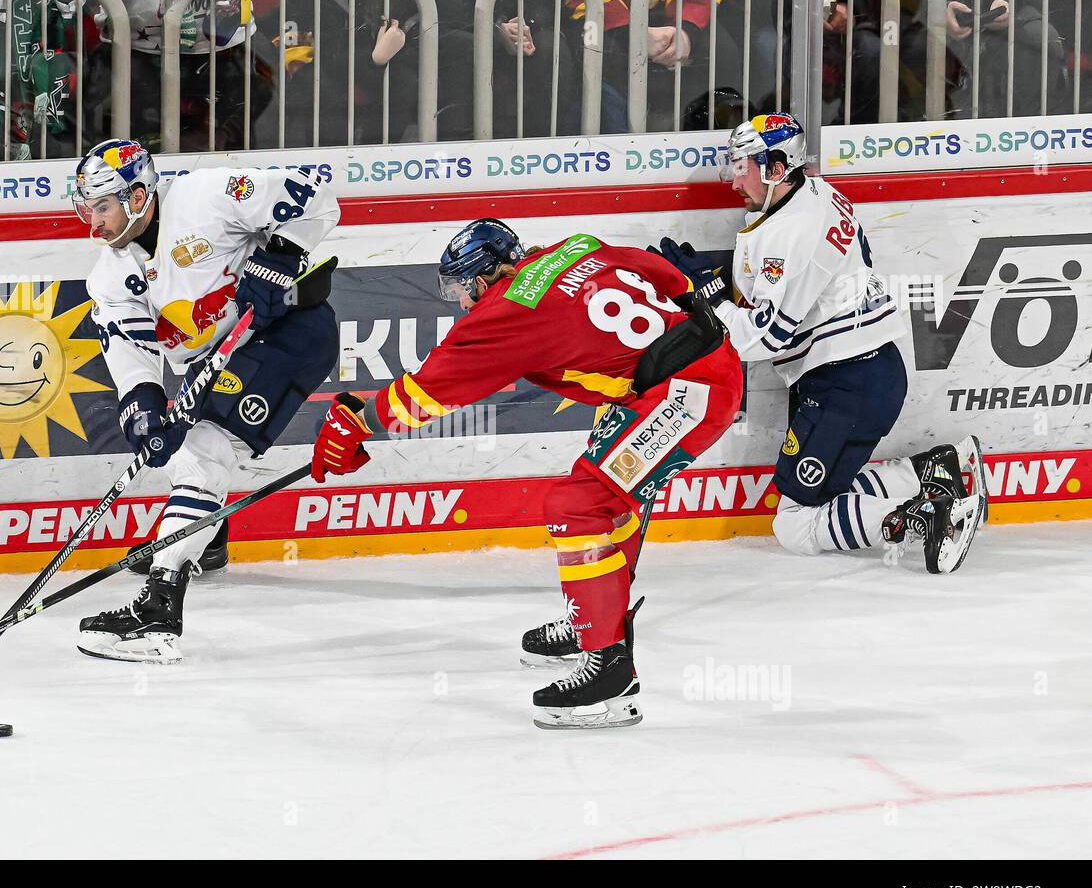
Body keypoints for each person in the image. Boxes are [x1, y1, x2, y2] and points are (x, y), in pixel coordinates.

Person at [309, 219, 743, 729]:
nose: (462, 302)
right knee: (605, 497)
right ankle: (593, 621)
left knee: (580, 505)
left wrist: (356, 422)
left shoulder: (506, 312)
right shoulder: (572, 248)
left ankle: (611, 675)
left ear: (485, 276)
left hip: (689, 394)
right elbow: (665, 274)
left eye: (462, 288)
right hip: (689, 372)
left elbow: (423, 396)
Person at [656, 113, 987, 575]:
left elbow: (765, 337)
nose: (732, 178)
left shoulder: (792, 234)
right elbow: (785, 284)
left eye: (742, 165)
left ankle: (928, 516)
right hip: (865, 372)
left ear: (775, 168)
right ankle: (933, 469)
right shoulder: (815, 193)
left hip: (843, 385)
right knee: (825, 491)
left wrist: (702, 301)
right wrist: (716, 279)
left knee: (795, 524)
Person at [73, 138, 340, 663]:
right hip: (216, 357)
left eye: (102, 207)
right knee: (178, 448)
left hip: (289, 333)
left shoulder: (207, 195)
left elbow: (316, 199)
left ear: (138, 195)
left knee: (202, 454)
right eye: (87, 209)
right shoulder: (110, 274)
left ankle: (158, 610)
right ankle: (205, 539)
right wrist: (144, 406)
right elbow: (130, 348)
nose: (94, 224)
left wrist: (280, 257)